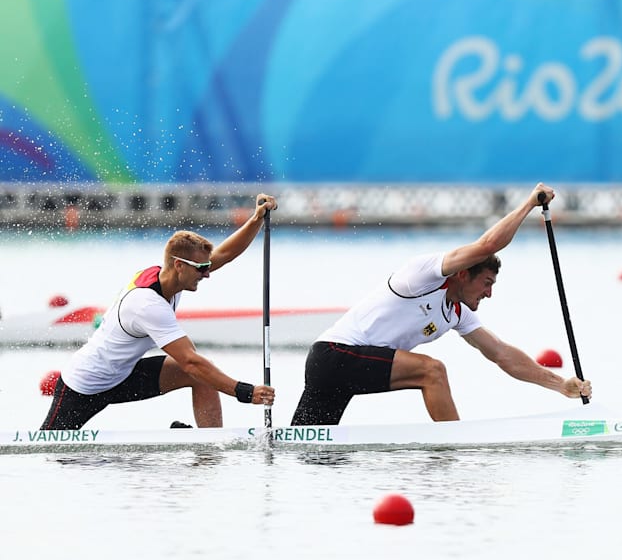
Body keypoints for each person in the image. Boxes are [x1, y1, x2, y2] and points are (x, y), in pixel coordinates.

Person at [290, 183, 592, 426]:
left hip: (341, 368)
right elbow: (487, 246)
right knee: (431, 371)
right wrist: (529, 204)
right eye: (486, 283)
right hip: (334, 356)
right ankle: (453, 446)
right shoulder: (423, 276)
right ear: (462, 275)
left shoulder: (456, 312)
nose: (489, 295)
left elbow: (502, 355)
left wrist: (560, 385)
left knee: (308, 451)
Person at [40, 193, 279, 430]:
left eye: (207, 267)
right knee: (49, 455)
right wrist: (246, 392)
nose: (207, 274)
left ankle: (211, 446)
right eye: (202, 269)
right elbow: (189, 361)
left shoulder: (172, 276)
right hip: (84, 385)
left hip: (124, 374)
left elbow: (224, 255)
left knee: (203, 375)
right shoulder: (147, 304)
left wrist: (256, 218)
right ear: (179, 265)